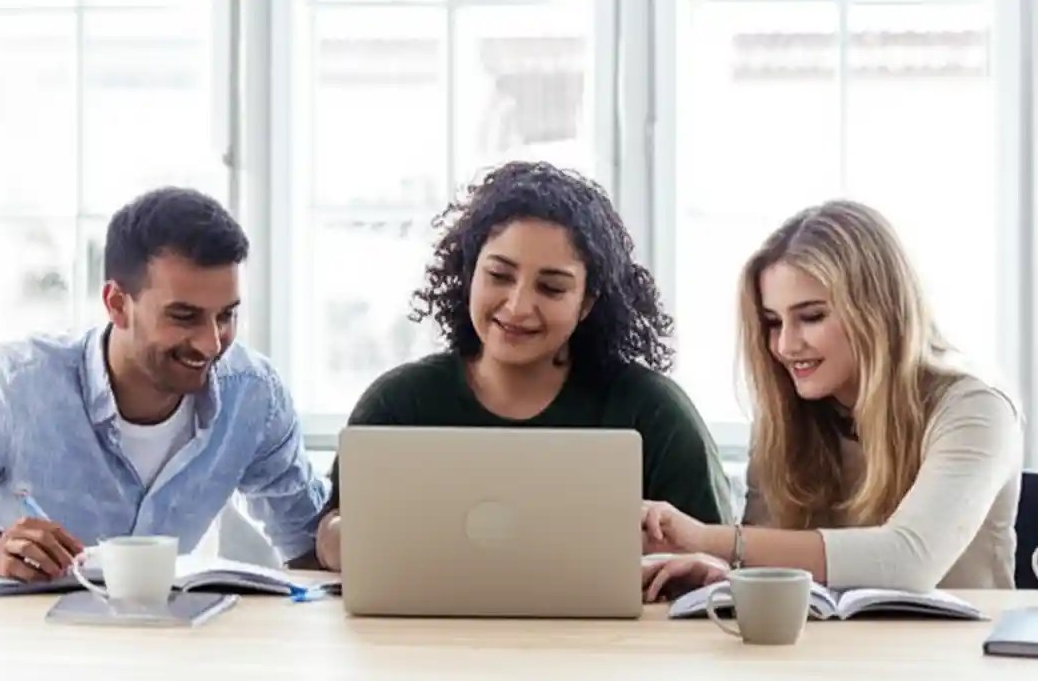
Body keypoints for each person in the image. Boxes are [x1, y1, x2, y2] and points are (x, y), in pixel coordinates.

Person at [0, 187, 329, 581]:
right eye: (183, 316)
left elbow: (310, 542)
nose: (210, 343)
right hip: (19, 655)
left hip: (168, 652)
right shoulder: (15, 385)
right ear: (116, 304)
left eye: (226, 315)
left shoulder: (253, 394)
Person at [308, 161, 734, 572]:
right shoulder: (400, 402)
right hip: (423, 642)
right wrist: (349, 540)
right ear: (469, 272)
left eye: (551, 287)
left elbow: (716, 563)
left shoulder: (653, 412)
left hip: (610, 644)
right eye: (499, 275)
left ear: (586, 303)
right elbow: (331, 536)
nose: (517, 306)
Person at [641, 200, 1022, 600]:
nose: (786, 345)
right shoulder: (787, 416)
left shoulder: (977, 407)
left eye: (811, 317)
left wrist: (707, 539)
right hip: (825, 651)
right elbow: (775, 559)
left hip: (959, 654)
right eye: (773, 322)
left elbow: (908, 561)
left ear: (877, 310)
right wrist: (722, 571)